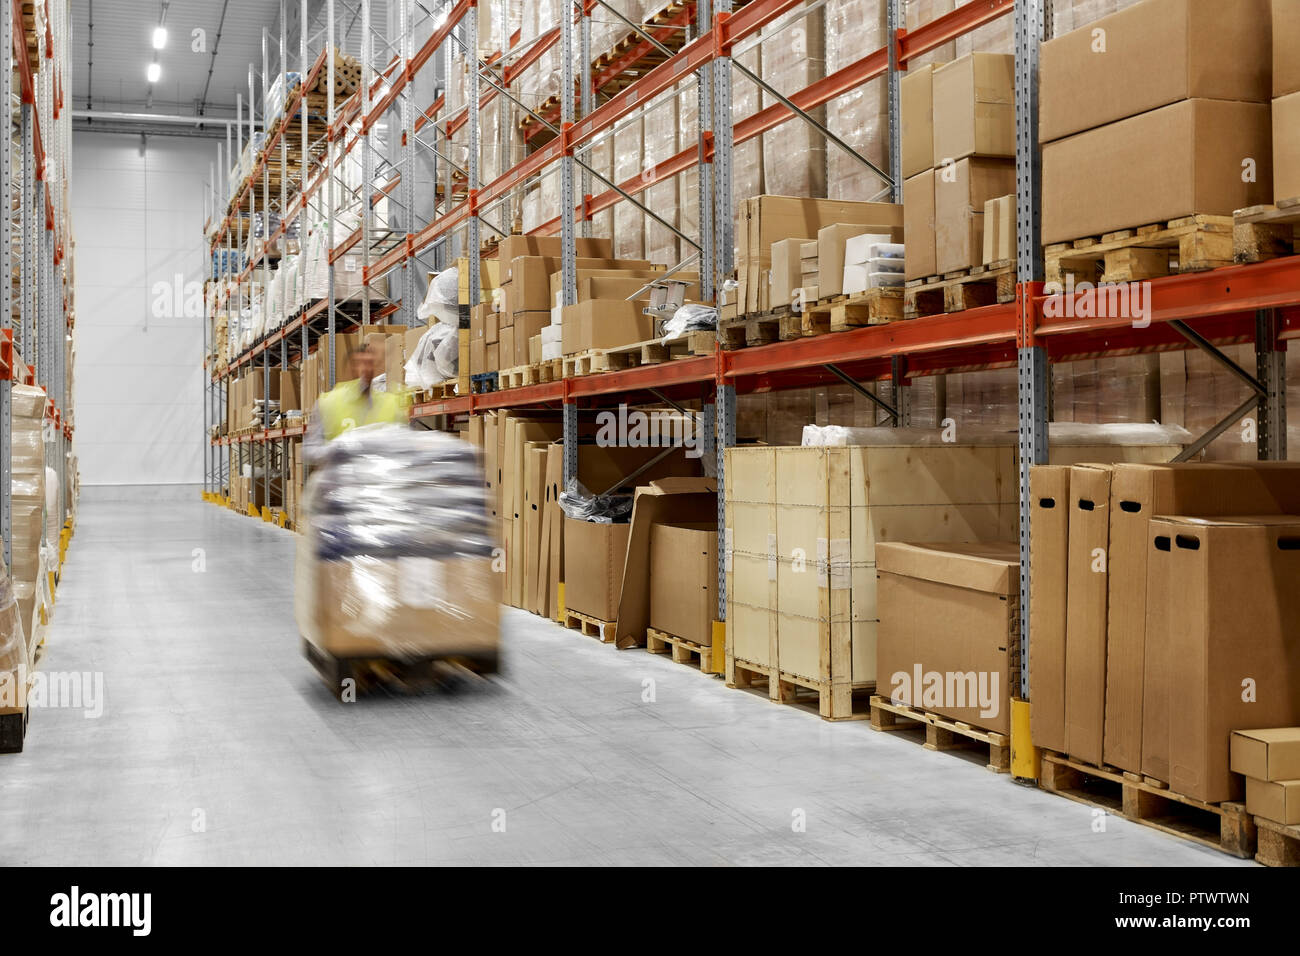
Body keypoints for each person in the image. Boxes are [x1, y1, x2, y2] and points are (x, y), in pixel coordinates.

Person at [305, 342, 407, 457]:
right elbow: (310, 449)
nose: (366, 369)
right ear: (350, 369)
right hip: (341, 473)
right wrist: (335, 449)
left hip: (379, 472)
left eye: (370, 363)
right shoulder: (327, 403)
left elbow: (404, 443)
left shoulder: (391, 403)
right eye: (360, 363)